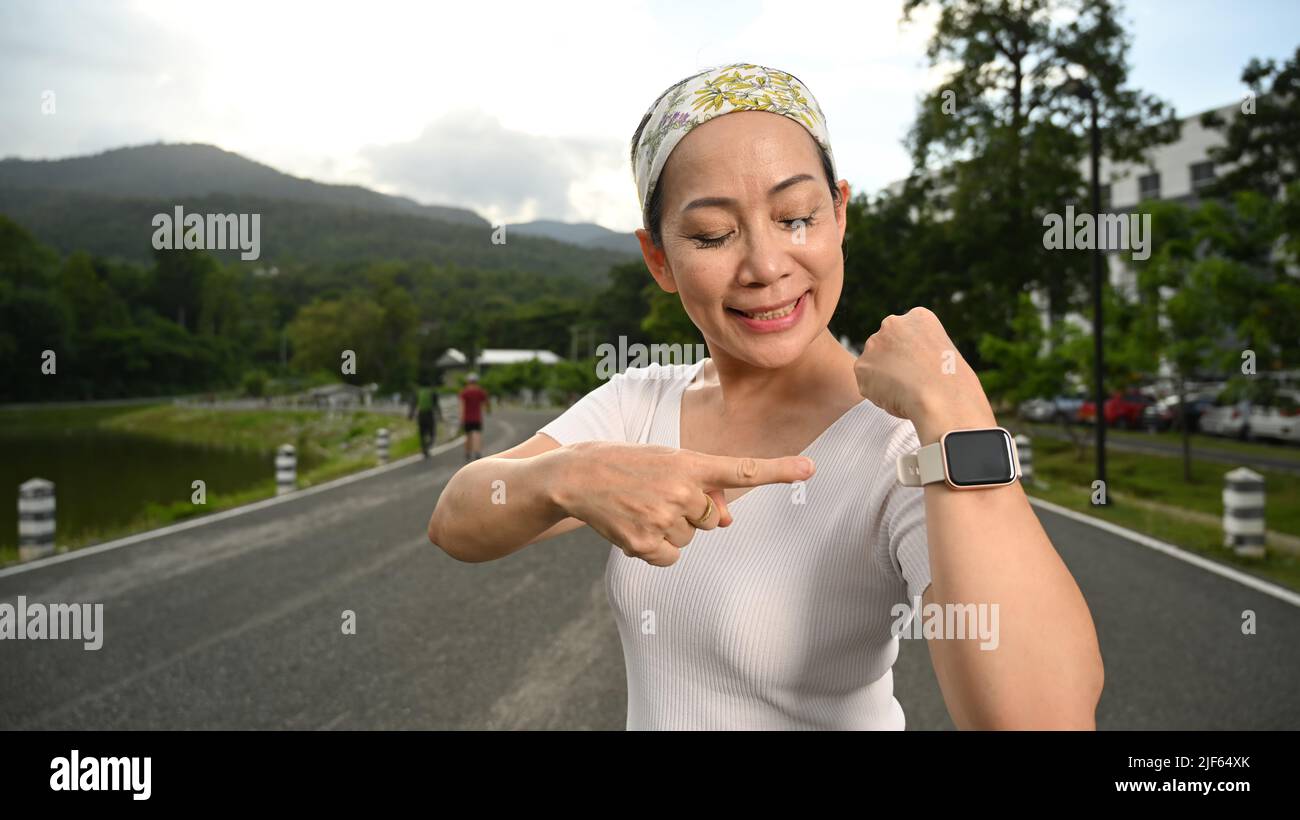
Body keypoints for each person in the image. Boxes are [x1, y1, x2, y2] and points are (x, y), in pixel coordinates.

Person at [427, 63, 1103, 730]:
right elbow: (457, 522)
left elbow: (1041, 719)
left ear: (840, 214)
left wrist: (959, 413)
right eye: (712, 235)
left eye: (796, 217)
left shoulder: (906, 444)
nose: (765, 267)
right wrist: (567, 475)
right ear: (658, 257)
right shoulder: (640, 401)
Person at [458, 373, 490, 462]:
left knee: (468, 436)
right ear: (476, 382)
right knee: (477, 435)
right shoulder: (480, 391)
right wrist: (486, 410)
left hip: (467, 418)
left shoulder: (464, 392)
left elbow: (462, 406)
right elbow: (486, 402)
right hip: (477, 418)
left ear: (468, 381)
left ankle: (467, 453)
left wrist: (461, 418)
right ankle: (477, 453)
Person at [408, 383, 443, 458]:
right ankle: (428, 445)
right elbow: (436, 405)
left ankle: (424, 449)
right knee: (432, 433)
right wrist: (440, 416)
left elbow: (413, 404)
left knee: (422, 434)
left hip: (421, 415)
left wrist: (410, 415)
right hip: (430, 414)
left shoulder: (418, 392)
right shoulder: (432, 392)